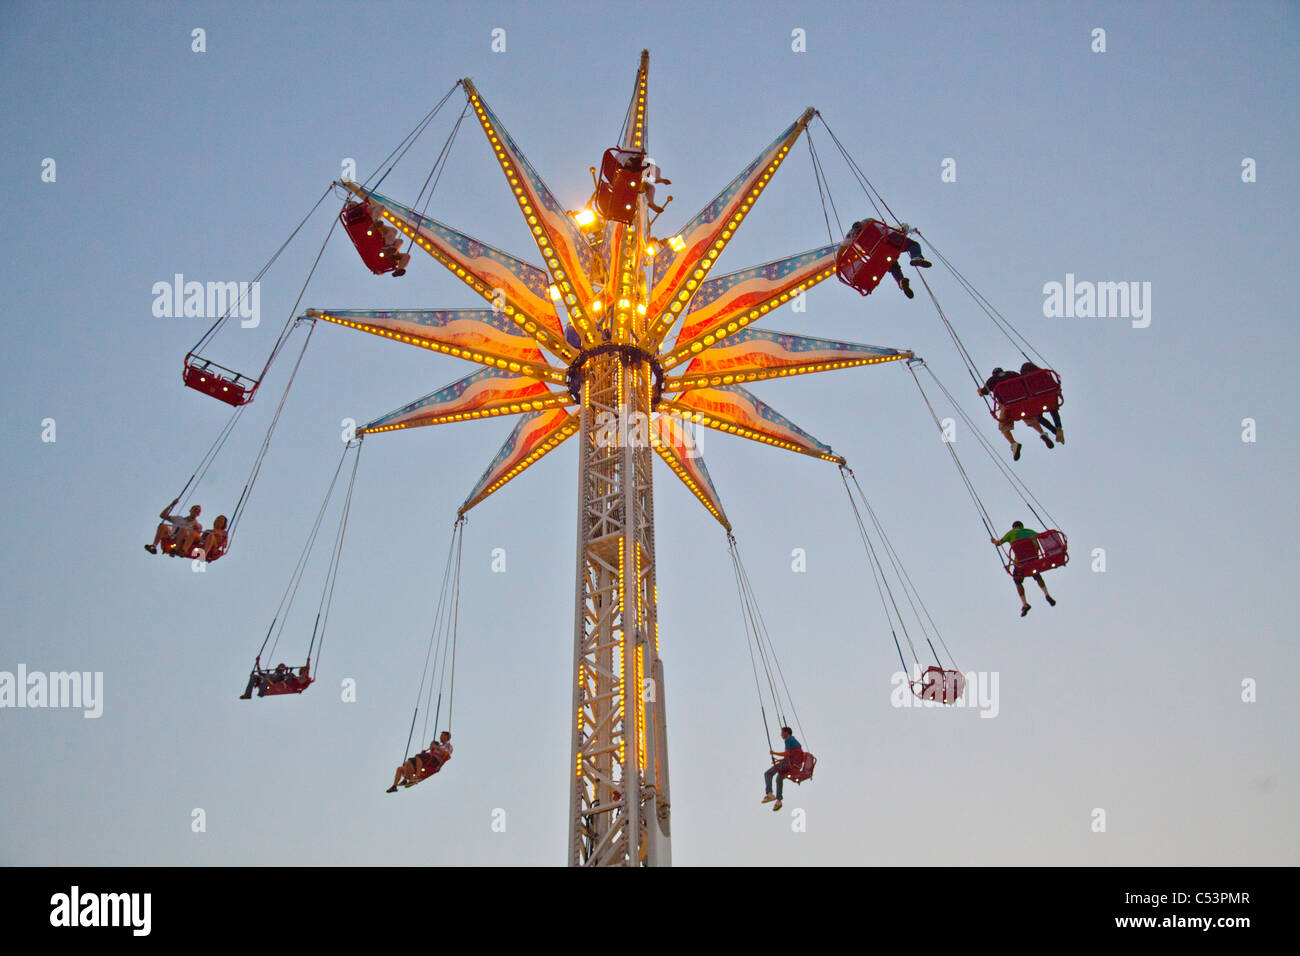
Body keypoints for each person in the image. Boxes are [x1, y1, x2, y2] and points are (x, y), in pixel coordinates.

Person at [978, 368, 1053, 459]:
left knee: (1003, 427)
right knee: (1030, 418)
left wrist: (980, 391)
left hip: (1007, 406)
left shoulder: (992, 380)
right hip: (1022, 401)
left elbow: (984, 392)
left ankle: (1013, 444)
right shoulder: (1012, 373)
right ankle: (1042, 433)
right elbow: (1025, 381)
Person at [992, 520, 1057, 617]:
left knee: (1017, 581)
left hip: (1020, 563)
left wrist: (994, 541)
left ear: (1013, 527)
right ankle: (1046, 594)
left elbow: (998, 543)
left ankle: (1024, 604)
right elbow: (1043, 536)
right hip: (1033, 560)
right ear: (1022, 526)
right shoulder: (1029, 531)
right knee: (1037, 576)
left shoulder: (1011, 533)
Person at [387, 730, 453, 792]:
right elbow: (434, 750)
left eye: (442, 736)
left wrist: (435, 747)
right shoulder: (439, 745)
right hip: (429, 758)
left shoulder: (448, 746)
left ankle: (416, 776)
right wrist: (430, 750)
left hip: (434, 760)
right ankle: (395, 785)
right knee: (404, 765)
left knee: (418, 756)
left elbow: (446, 754)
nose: (440, 737)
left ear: (446, 737)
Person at [1019, 361, 1064, 444]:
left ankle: (1054, 431)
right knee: (1053, 410)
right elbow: (1054, 385)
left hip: (1036, 399)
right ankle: (1058, 427)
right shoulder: (1044, 373)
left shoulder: (1024, 379)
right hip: (1049, 396)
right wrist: (1057, 391)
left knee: (1038, 417)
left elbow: (1024, 392)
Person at [761, 726, 802, 811]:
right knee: (779, 778)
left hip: (788, 764)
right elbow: (790, 754)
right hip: (794, 765)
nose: (781, 735)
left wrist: (774, 753)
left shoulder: (788, 740)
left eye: (782, 732)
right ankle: (779, 801)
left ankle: (769, 794)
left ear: (786, 733)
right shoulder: (794, 741)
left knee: (768, 773)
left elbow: (786, 754)